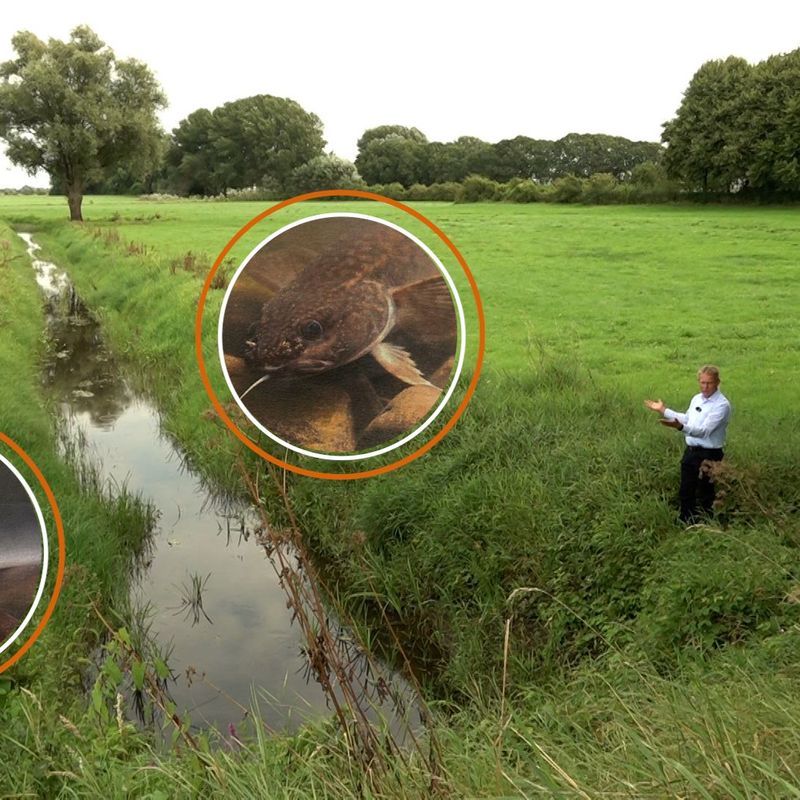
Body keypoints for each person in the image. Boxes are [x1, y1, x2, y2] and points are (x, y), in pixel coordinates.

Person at [645, 365, 731, 523]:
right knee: (686, 490)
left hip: (709, 455)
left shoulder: (721, 405)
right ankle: (686, 522)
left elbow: (704, 431)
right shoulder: (697, 399)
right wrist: (663, 410)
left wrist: (680, 428)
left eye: (709, 383)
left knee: (705, 492)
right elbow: (687, 418)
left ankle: (707, 525)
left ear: (717, 382)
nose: (705, 387)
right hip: (691, 451)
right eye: (702, 382)